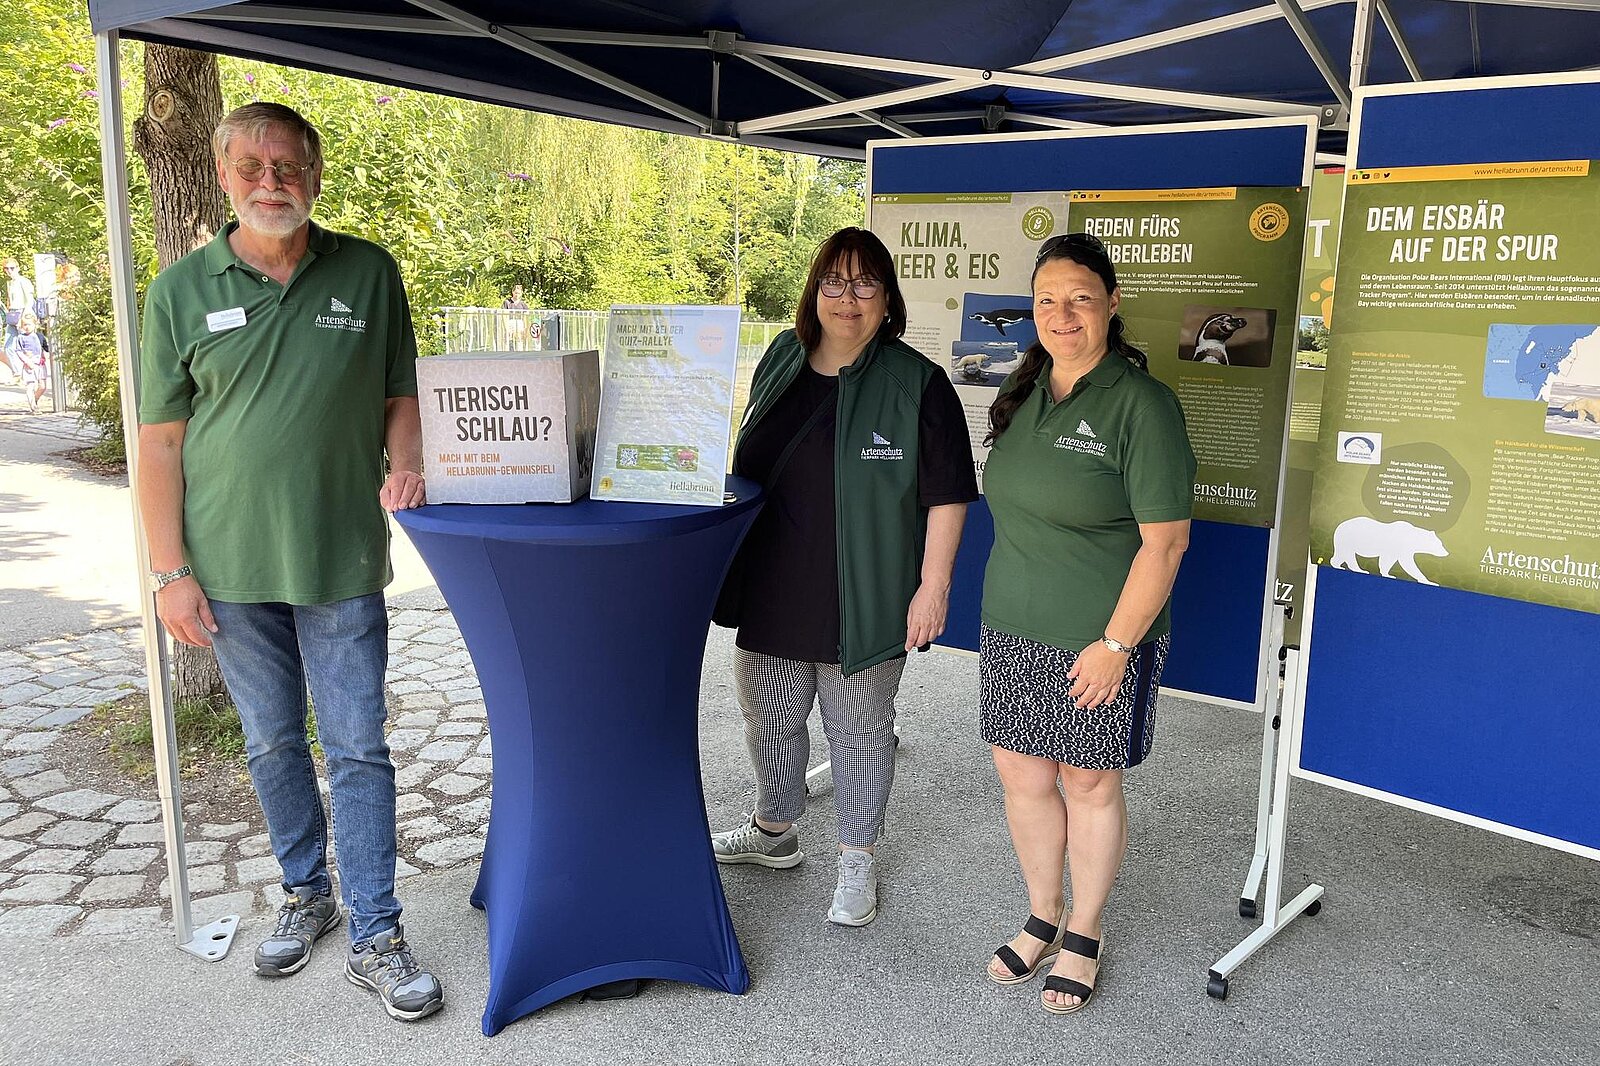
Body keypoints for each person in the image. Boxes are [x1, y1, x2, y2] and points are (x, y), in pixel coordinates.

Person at [137, 102, 442, 1022]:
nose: (272, 181)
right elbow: (157, 445)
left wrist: (410, 461)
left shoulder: (370, 272)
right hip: (225, 570)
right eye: (253, 165)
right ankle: (307, 894)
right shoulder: (181, 291)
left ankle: (377, 930)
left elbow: (401, 395)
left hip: (341, 557)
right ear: (224, 175)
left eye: (289, 166)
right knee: (272, 743)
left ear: (314, 176)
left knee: (357, 748)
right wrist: (167, 570)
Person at [711, 227, 978, 926]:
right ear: (814, 290)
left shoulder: (918, 384)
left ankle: (857, 858)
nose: (848, 297)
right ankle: (775, 829)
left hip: (866, 593)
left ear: (887, 297)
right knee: (769, 718)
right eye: (834, 280)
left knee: (859, 732)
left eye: (865, 283)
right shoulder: (781, 358)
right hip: (771, 584)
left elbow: (947, 495)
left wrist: (934, 586)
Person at [978, 232, 1195, 1014]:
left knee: (1089, 783)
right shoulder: (1027, 388)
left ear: (1111, 304)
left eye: (1079, 298)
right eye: (1046, 300)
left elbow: (1166, 542)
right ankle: (1043, 912)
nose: (1061, 314)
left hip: (1103, 637)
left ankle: (1086, 931)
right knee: (1024, 777)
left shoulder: (1143, 404)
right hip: (1012, 625)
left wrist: (1115, 646)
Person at [6, 310, 48, 412]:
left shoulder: (39, 336)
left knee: (42, 386)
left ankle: (35, 399)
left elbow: (47, 348)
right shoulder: (21, 338)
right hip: (29, 366)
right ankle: (33, 406)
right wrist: (26, 361)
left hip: (40, 365)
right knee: (30, 385)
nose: (27, 327)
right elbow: (18, 351)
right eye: (24, 325)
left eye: (29, 324)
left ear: (35, 324)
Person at [4, 257, 35, 345]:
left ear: (18, 268)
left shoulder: (23, 281)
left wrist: (24, 317)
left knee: (25, 343)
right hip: (13, 313)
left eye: (12, 268)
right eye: (6, 268)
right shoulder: (10, 283)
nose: (9, 270)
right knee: (9, 346)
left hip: (22, 312)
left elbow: (29, 300)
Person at [502, 283, 530, 350]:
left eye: (519, 293)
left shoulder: (523, 304)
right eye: (516, 293)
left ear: (521, 293)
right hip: (510, 323)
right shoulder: (507, 302)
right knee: (507, 342)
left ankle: (519, 357)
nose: (517, 295)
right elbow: (504, 316)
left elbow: (525, 317)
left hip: (520, 324)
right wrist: (506, 328)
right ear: (513, 292)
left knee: (519, 342)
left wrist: (525, 329)